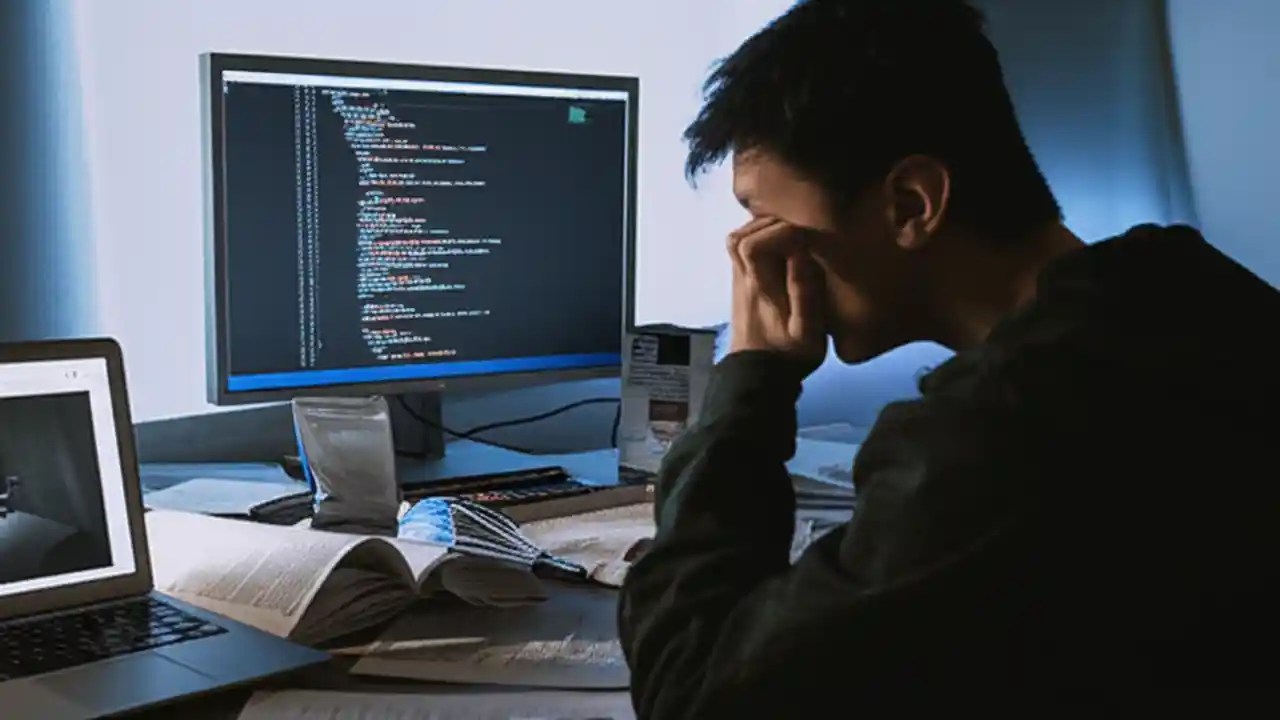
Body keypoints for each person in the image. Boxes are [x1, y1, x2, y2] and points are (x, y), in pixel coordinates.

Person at [617, 0, 1280, 712]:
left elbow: (693, 692)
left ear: (911, 204)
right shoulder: (1182, 289)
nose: (750, 256)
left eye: (765, 219)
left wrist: (752, 376)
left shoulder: (1001, 436)